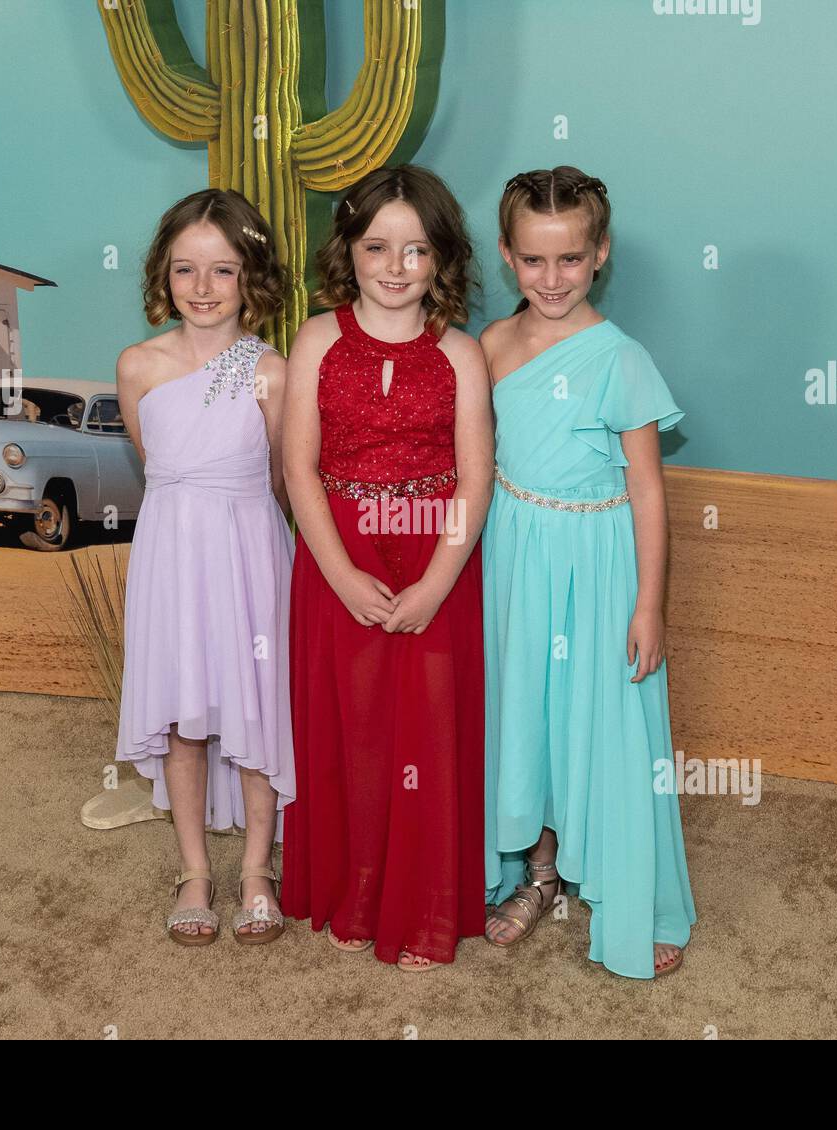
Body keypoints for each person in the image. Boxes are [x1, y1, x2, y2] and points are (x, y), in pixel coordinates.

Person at [481, 166, 697, 978]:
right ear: (507, 255)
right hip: (515, 555)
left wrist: (650, 604)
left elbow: (648, 487)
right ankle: (536, 876)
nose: (552, 279)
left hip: (600, 566)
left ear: (599, 254)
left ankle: (635, 893)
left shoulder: (622, 358)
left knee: (606, 726)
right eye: (534, 261)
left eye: (570, 260)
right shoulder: (492, 347)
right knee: (525, 718)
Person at [280, 165, 494, 971]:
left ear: (442, 258)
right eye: (378, 246)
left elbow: (475, 479)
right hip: (341, 554)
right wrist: (336, 573)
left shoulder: (462, 355)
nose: (396, 266)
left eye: (416, 249)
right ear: (351, 250)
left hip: (439, 554)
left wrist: (439, 582)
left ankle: (423, 906)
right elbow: (298, 467)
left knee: (427, 734)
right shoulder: (317, 338)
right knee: (355, 730)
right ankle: (357, 890)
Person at [115, 189, 294, 946]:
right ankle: (195, 869)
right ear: (164, 273)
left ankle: (257, 868)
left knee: (252, 709)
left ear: (250, 277)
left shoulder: (272, 372)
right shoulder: (138, 367)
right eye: (186, 269)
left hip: (250, 553)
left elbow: (284, 480)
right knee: (184, 719)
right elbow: (158, 465)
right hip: (171, 559)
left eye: (222, 270)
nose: (202, 287)